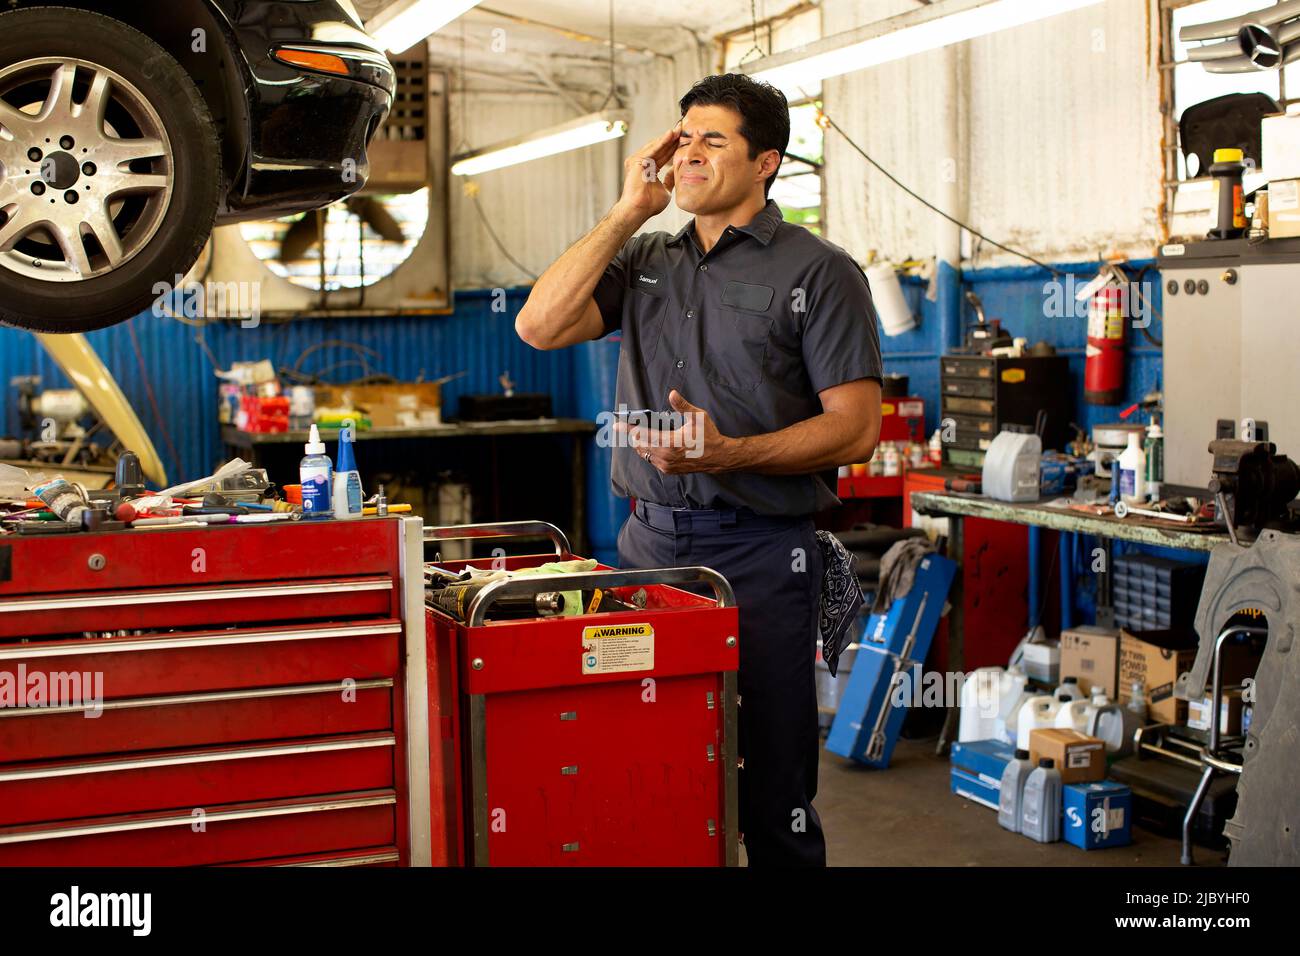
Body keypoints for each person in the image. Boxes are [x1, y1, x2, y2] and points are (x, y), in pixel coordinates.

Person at [515, 73, 883, 866]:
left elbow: (857, 431)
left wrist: (729, 454)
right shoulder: (646, 256)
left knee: (772, 786)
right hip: (648, 551)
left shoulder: (819, 272)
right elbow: (538, 326)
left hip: (762, 557)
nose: (689, 152)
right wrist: (626, 211)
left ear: (766, 164)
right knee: (652, 767)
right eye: (683, 136)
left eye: (714, 139)